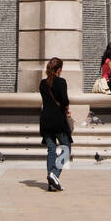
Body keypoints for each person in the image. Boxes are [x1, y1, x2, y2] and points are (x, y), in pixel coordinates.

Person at [39, 57, 72, 190]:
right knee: (66, 148)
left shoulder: (42, 83)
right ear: (58, 69)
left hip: (45, 120)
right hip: (58, 120)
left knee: (51, 150)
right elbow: (64, 100)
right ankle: (55, 174)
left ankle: (51, 184)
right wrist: (67, 110)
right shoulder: (61, 82)